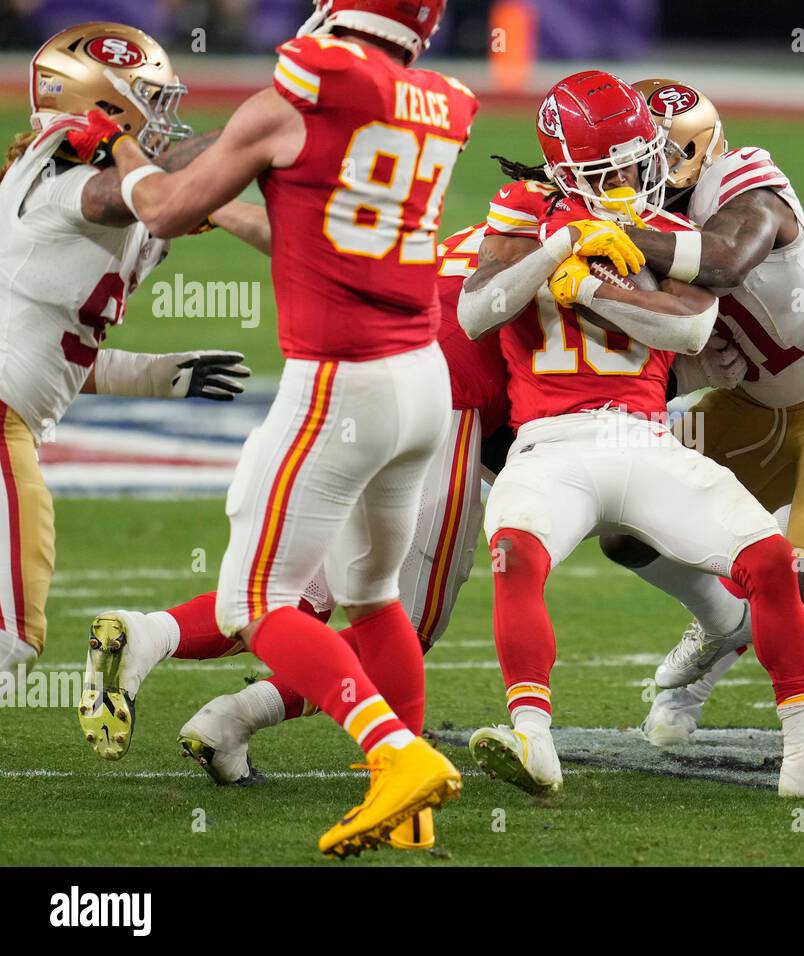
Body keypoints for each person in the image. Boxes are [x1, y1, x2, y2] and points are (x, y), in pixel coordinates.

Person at [85, 0, 484, 855]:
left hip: (342, 383)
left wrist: (117, 147)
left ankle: (394, 756)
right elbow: (303, 230)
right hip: (423, 381)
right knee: (375, 599)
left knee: (257, 601)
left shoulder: (302, 90)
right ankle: (409, 813)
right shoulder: (443, 100)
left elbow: (160, 210)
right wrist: (222, 200)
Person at [458, 71, 804, 803]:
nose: (636, 174)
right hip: (549, 442)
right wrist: (559, 247)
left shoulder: (666, 228)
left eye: (641, 156)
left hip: (643, 436)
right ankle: (533, 741)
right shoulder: (526, 212)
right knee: (514, 554)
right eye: (617, 165)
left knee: (767, 558)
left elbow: (691, 324)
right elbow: (478, 311)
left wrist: (593, 286)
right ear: (570, 170)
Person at [0, 21, 248, 680]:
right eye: (149, 101)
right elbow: (129, 194)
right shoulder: (66, 173)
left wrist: (158, 378)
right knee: (12, 638)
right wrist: (261, 127)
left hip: (11, 415)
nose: (163, 120)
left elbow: (56, 354)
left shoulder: (101, 187)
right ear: (102, 109)